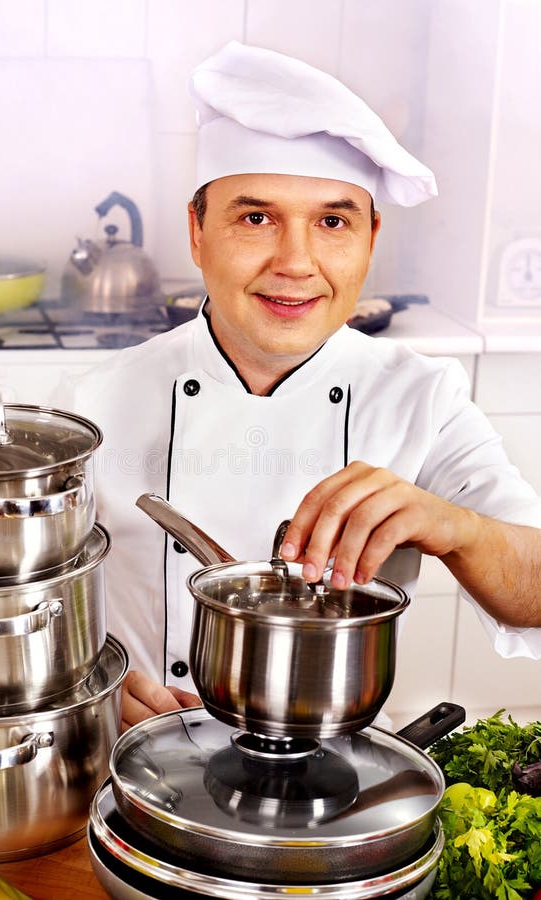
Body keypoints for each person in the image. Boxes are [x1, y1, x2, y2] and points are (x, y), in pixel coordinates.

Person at [61, 41, 541, 731]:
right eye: (255, 218)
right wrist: (87, 684)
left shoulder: (422, 400)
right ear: (197, 232)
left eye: (331, 222)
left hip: (335, 793)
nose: (295, 263)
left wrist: (454, 529)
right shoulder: (92, 404)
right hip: (135, 775)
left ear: (370, 239)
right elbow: (17, 613)